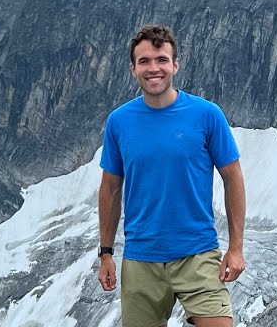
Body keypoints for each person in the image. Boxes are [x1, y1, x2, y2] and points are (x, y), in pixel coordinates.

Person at [97, 24, 247, 327]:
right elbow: (110, 187)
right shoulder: (119, 121)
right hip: (141, 260)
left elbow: (233, 179)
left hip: (197, 254)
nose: (154, 68)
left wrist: (235, 248)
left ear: (175, 65)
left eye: (162, 60)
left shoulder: (207, 114)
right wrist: (106, 254)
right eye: (144, 61)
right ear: (133, 69)